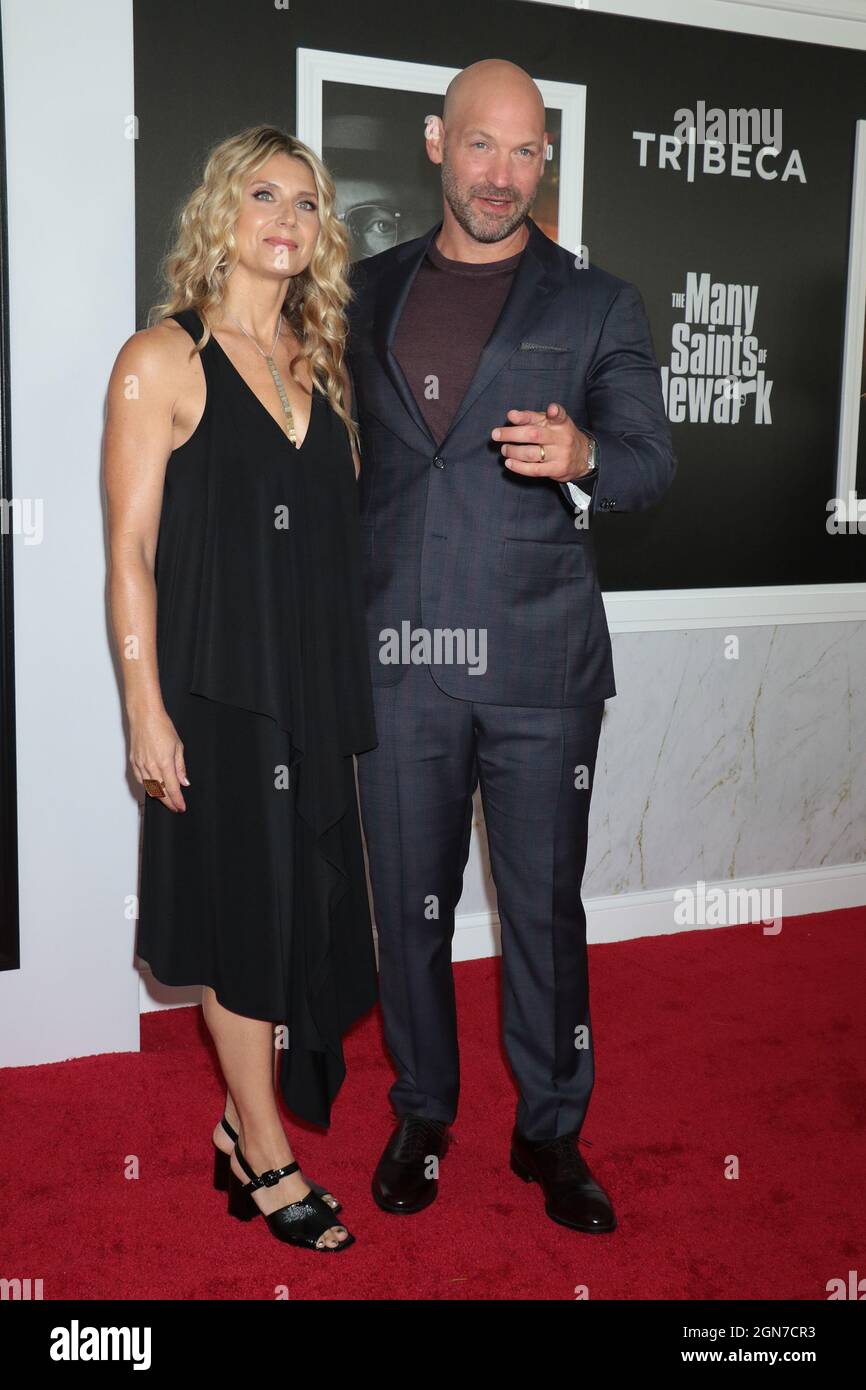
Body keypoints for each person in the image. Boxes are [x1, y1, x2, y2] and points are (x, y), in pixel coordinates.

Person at [346, 60, 676, 1232]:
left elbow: (648, 461)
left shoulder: (594, 300)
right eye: (481, 147)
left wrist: (584, 455)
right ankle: (422, 1109)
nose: (501, 175)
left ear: (547, 159)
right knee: (413, 910)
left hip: (538, 667)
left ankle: (549, 1132)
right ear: (436, 143)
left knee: (541, 910)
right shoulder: (358, 288)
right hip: (395, 662)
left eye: (525, 152)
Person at [104, 125, 378, 1252]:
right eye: (264, 193)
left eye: (307, 203)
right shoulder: (161, 357)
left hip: (309, 691)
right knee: (242, 922)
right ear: (222, 209)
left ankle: (237, 1122)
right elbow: (127, 549)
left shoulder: (319, 368)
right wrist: (144, 708)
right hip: (216, 697)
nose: (287, 217)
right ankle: (265, 1152)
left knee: (299, 919)